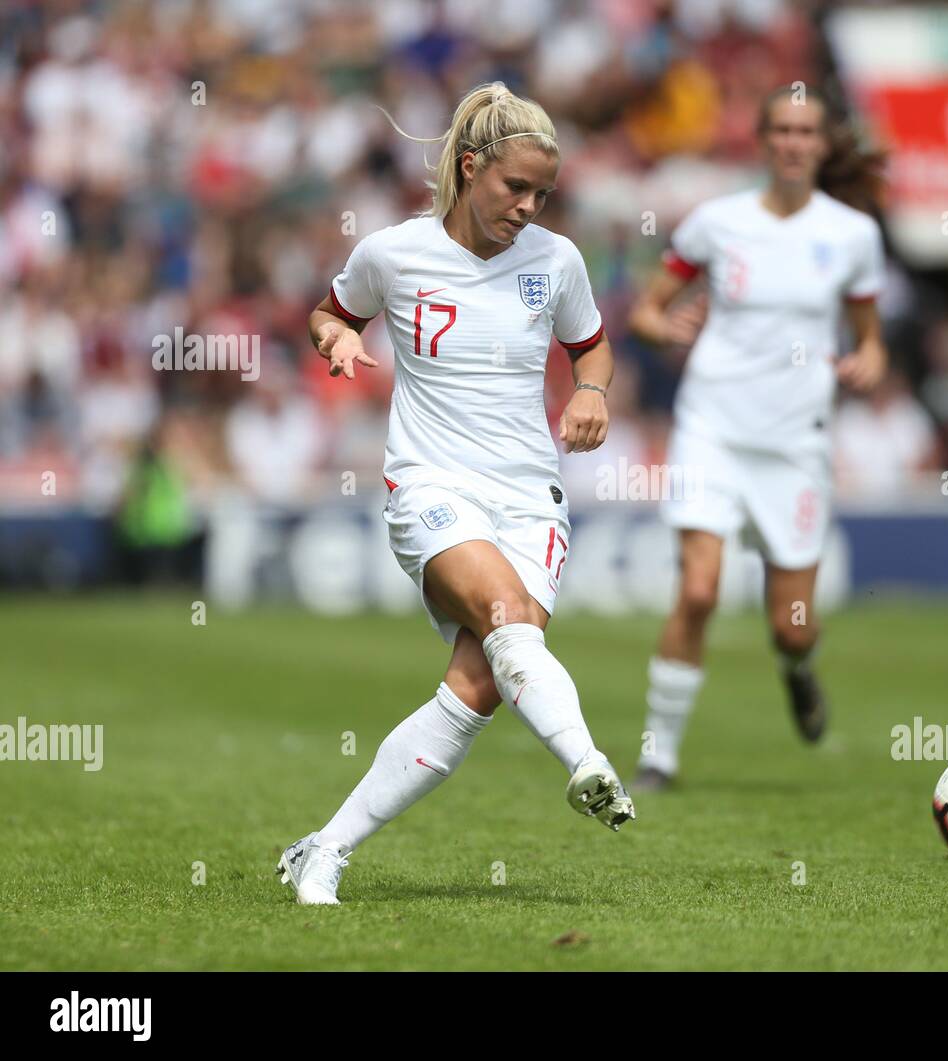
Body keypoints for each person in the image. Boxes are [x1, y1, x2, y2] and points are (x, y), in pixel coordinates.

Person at [278, 82, 633, 905]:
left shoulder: (557, 261)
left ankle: (325, 847)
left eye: (543, 193)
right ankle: (586, 761)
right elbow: (329, 315)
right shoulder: (395, 252)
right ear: (472, 168)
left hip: (530, 496)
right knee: (508, 620)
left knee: (478, 686)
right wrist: (335, 343)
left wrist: (593, 393)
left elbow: (594, 349)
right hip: (430, 484)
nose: (529, 206)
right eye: (516, 187)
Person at [629, 85, 890, 788]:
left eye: (806, 131)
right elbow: (646, 312)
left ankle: (798, 669)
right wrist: (665, 327)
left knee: (793, 625)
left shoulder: (852, 236)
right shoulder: (717, 222)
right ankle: (659, 754)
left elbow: (871, 339)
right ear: (763, 138)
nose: (794, 142)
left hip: (794, 444)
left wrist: (867, 360)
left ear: (823, 144)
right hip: (711, 426)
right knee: (700, 589)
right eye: (781, 129)